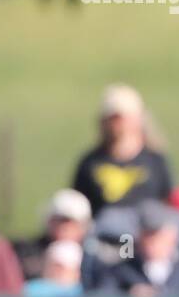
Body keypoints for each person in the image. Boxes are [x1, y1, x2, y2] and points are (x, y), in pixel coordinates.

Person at [71, 84, 173, 215]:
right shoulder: (90, 163)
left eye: (123, 118)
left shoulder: (155, 160)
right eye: (114, 119)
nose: (119, 124)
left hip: (144, 232)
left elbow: (168, 202)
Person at [95, 201, 179, 297]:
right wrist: (128, 296)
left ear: (172, 236)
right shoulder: (122, 270)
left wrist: (166, 295)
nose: (152, 242)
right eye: (147, 235)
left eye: (157, 236)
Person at [14, 188, 93, 281]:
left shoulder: (92, 258)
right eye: (58, 220)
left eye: (69, 222)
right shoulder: (26, 252)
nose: (64, 227)